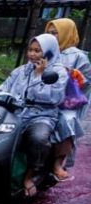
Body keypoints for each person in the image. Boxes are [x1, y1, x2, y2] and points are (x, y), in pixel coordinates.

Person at [0, 34, 68, 197]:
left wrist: (39, 75)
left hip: (43, 116)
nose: (32, 54)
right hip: (18, 113)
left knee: (38, 138)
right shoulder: (22, 70)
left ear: (48, 52)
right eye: (30, 50)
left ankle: (30, 176)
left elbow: (54, 98)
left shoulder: (58, 72)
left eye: (37, 51)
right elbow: (5, 87)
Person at [45, 18, 91, 180]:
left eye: (55, 33)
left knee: (67, 121)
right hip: (42, 96)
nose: (51, 36)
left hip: (65, 103)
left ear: (66, 33)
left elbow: (85, 83)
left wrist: (70, 73)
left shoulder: (78, 57)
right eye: (48, 33)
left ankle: (58, 163)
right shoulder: (45, 51)